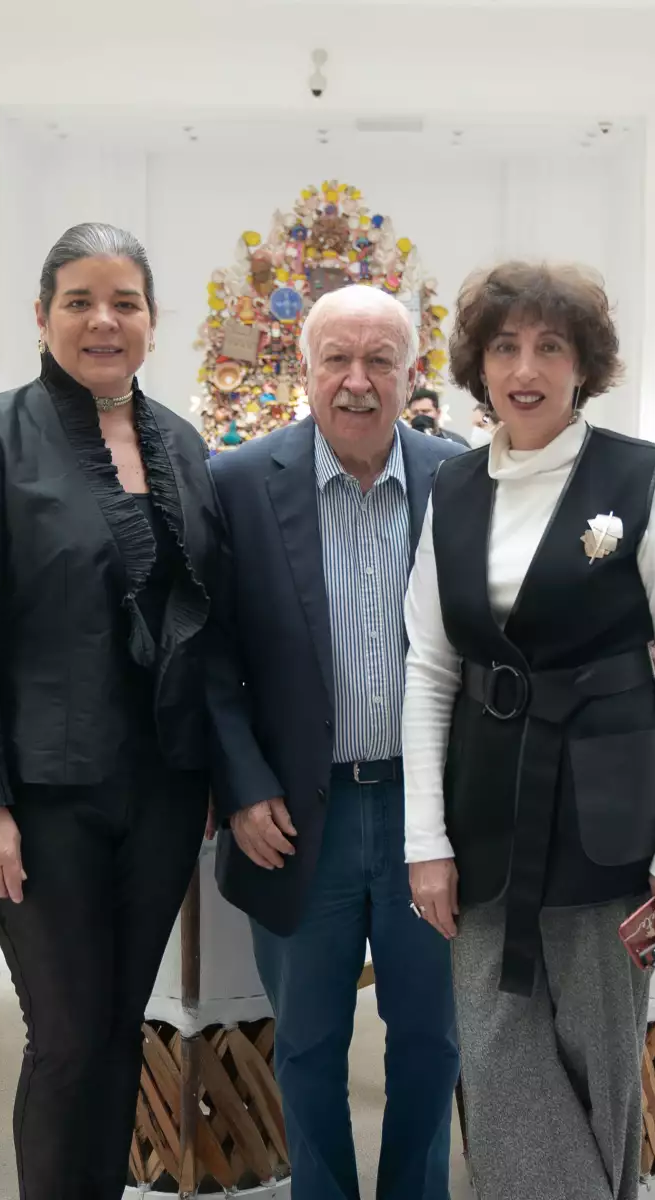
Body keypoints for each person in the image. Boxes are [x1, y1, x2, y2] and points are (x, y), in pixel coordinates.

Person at [0, 222, 218, 1200]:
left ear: (153, 322)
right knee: (70, 1035)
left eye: (124, 301)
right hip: (40, 800)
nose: (102, 320)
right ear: (41, 316)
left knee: (120, 1028)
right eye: (79, 300)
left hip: (162, 792)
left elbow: (204, 617)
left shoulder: (183, 442)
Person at [402, 262, 655, 1200]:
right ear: (478, 366)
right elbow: (428, 669)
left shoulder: (643, 475)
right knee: (494, 1052)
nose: (524, 368)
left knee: (599, 1056)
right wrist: (426, 840)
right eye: (505, 347)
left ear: (584, 366)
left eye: (549, 347)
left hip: (610, 812)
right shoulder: (451, 490)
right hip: (486, 805)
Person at [207, 286, 464, 1200]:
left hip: (423, 817)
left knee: (432, 1039)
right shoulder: (237, 483)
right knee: (309, 1044)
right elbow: (209, 655)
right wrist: (239, 786)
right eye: (337, 361)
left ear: (409, 372)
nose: (358, 382)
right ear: (304, 369)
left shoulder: (455, 478)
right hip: (292, 814)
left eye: (381, 361)